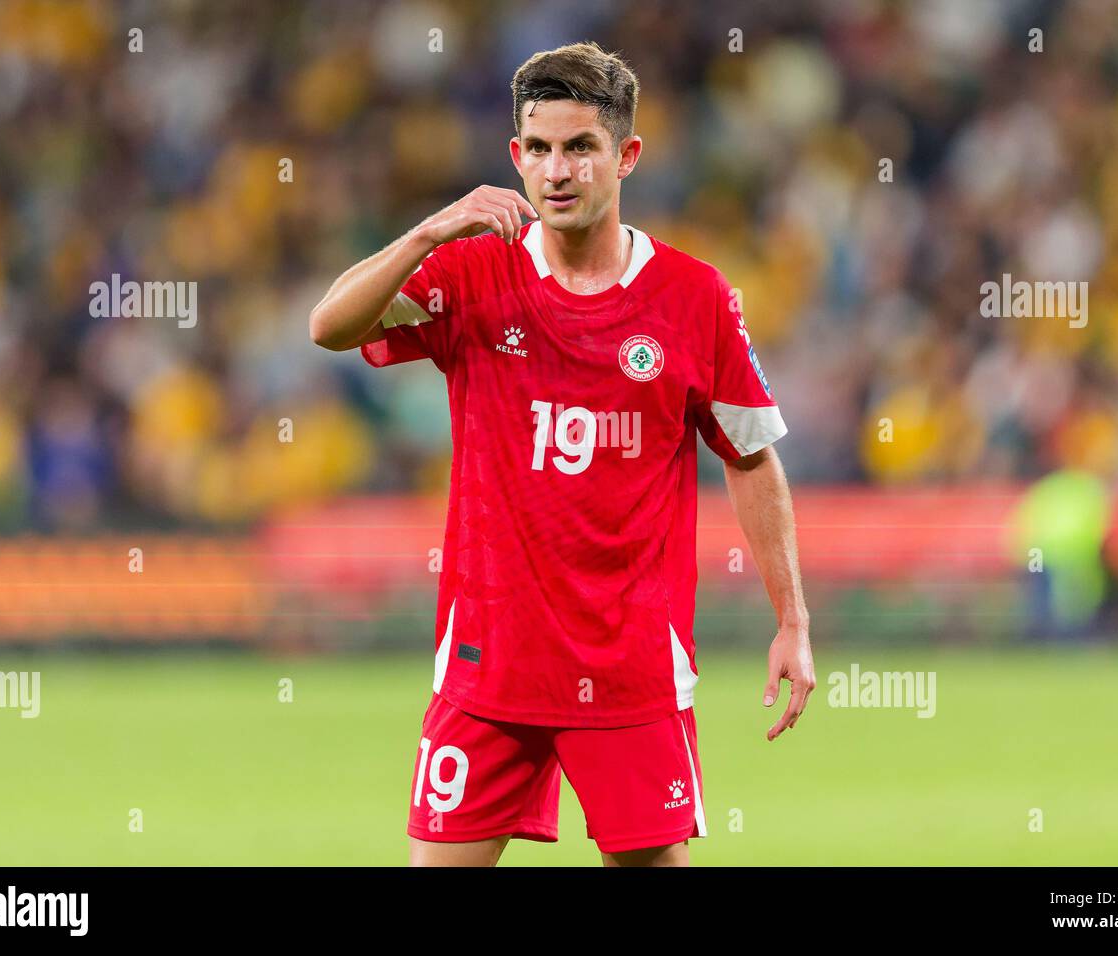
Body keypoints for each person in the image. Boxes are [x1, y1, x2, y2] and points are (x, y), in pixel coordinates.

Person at [310, 41, 815, 867]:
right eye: (539, 149)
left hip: (630, 672)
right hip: (488, 662)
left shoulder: (694, 299)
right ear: (515, 157)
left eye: (581, 146)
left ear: (626, 157)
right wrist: (431, 229)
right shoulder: (472, 273)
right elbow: (329, 326)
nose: (558, 170)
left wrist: (792, 619)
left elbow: (753, 459)